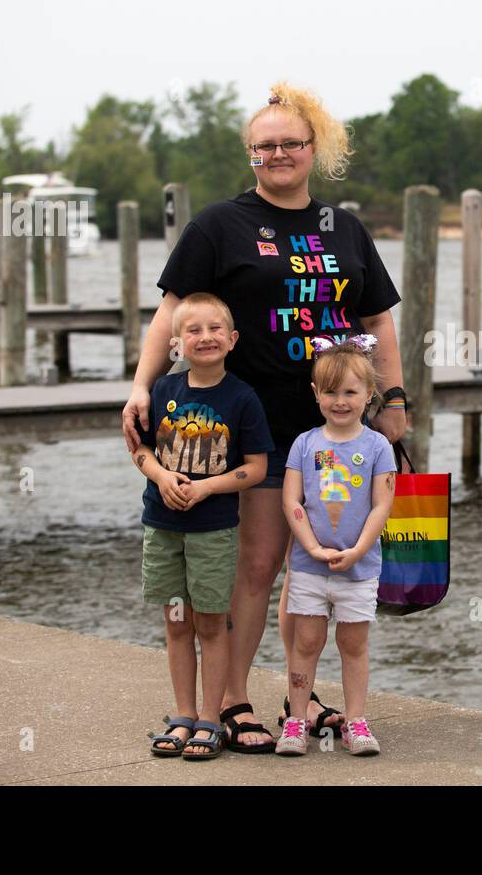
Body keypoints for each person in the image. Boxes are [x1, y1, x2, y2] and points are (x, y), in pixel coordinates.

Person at [121, 82, 409, 753]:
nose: (278, 154)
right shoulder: (220, 226)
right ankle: (233, 700)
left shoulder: (343, 228)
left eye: (290, 143)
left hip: (335, 426)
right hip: (250, 419)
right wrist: (141, 386)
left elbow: (377, 321)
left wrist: (392, 400)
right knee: (257, 563)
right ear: (250, 155)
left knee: (309, 567)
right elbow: (171, 310)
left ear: (313, 149)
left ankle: (297, 699)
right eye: (264, 146)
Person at [138, 293, 274, 759]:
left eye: (215, 329)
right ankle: (183, 715)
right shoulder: (161, 391)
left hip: (213, 531)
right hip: (162, 525)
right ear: (176, 343)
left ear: (232, 339)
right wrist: (161, 475)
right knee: (177, 623)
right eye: (193, 330)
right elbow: (140, 450)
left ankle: (212, 719)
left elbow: (256, 468)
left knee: (212, 624)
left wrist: (207, 487)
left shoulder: (242, 398)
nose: (205, 337)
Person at [277, 336, 396, 756]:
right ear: (316, 394)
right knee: (305, 643)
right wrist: (311, 547)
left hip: (359, 569)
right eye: (331, 392)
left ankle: (356, 721)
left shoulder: (378, 446)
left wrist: (360, 550)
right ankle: (295, 720)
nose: (340, 401)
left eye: (350, 392)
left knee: (354, 644)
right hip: (310, 568)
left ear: (368, 395)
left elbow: (382, 505)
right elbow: (292, 501)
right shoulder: (305, 444)